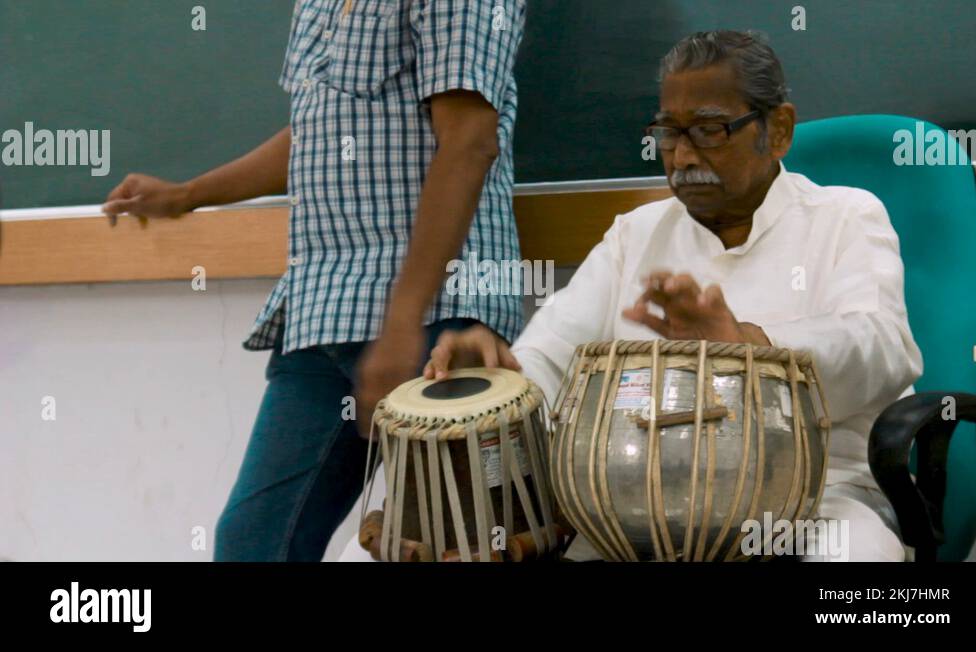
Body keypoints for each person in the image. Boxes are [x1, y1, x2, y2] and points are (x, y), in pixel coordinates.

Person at [415, 30, 923, 562]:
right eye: (668, 132)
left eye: (708, 130)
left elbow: (884, 347)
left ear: (778, 130)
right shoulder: (634, 235)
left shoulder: (844, 217)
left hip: (816, 501)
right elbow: (548, 361)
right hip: (638, 510)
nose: (681, 156)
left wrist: (751, 346)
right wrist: (496, 378)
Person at [102, 0, 527, 561]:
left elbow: (470, 140)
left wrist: (400, 321)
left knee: (451, 546)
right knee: (253, 543)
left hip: (434, 318)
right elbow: (320, 131)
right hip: (323, 306)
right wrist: (188, 195)